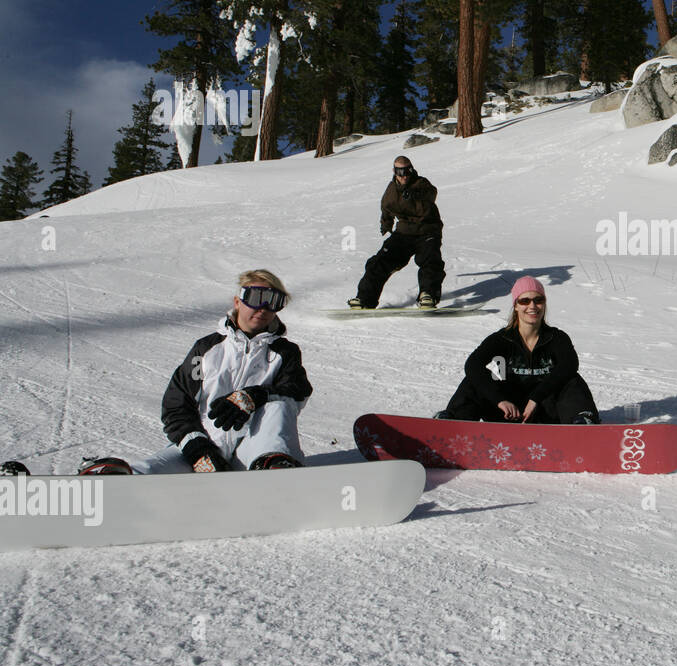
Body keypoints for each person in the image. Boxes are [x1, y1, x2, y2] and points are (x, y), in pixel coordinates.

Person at [80, 270, 313, 474]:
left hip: (257, 447)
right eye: (255, 298)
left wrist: (256, 395)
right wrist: (198, 450)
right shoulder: (206, 349)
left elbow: (296, 393)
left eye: (273, 301)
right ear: (237, 302)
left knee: (279, 404)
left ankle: (276, 467)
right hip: (208, 445)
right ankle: (120, 483)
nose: (263, 308)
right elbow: (176, 407)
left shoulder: (284, 352)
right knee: (158, 469)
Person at [437, 276, 600, 424]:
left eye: (538, 300)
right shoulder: (501, 339)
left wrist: (536, 398)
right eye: (525, 301)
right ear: (515, 305)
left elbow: (569, 365)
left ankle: (582, 423)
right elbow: (472, 365)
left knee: (572, 379)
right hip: (507, 412)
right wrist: (500, 400)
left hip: (544, 412)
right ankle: (453, 421)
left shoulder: (556, 338)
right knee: (474, 380)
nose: (533, 306)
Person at [350, 156, 445, 309]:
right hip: (404, 233)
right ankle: (365, 299)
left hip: (427, 230)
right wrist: (386, 224)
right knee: (380, 262)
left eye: (407, 170)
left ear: (412, 169)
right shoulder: (391, 190)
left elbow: (431, 194)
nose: (404, 175)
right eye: (400, 172)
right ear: (394, 172)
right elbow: (386, 207)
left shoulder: (421, 183)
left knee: (430, 260)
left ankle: (428, 295)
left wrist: (415, 194)